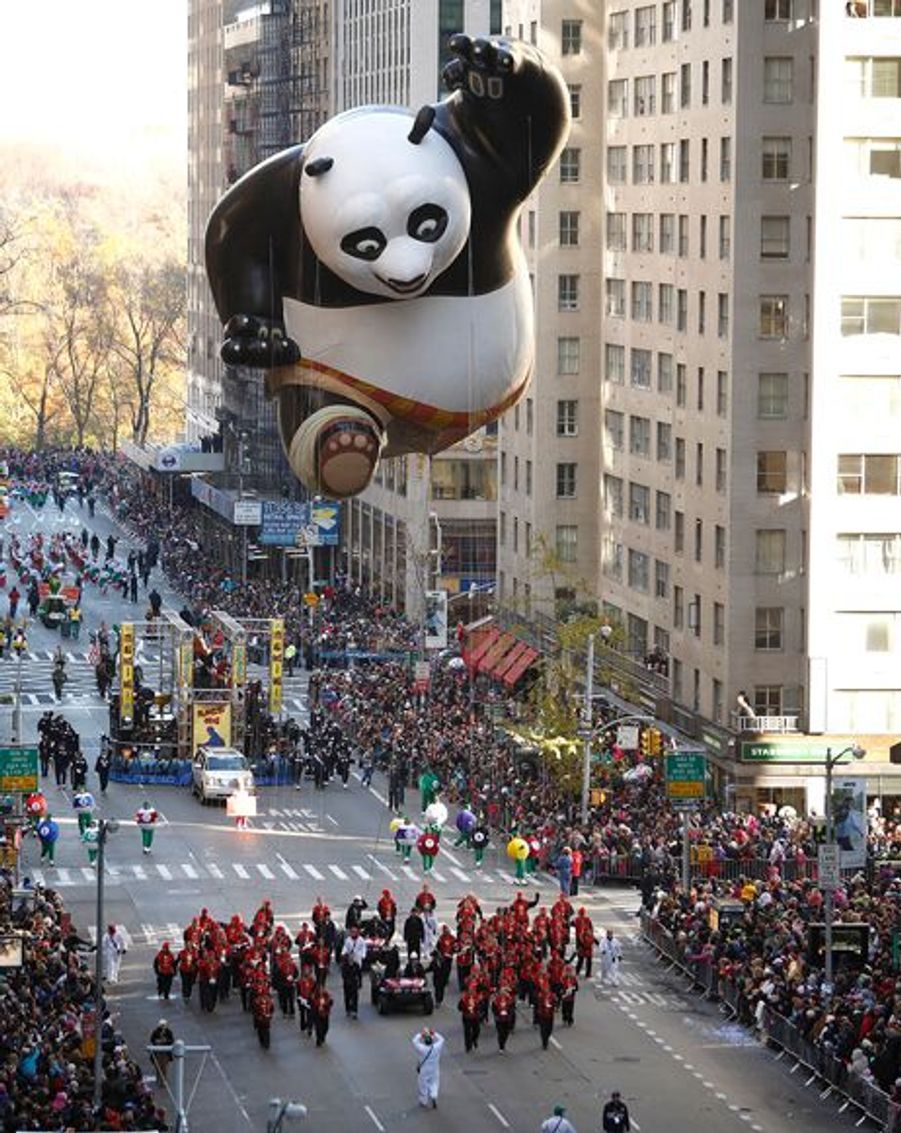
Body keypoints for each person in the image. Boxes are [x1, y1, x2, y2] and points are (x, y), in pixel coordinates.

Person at [412, 1028, 445, 1109]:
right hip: (434, 1069)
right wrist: (433, 1033)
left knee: (423, 1085)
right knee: (434, 1083)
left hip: (424, 1069)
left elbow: (414, 1041)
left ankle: (424, 1101)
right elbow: (442, 1039)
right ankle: (434, 1095)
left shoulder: (422, 1048)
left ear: (425, 1041)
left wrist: (421, 1034)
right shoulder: (436, 1047)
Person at [149, 1019, 174, 1085]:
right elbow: (152, 1040)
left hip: (165, 1053)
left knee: (164, 1067)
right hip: (157, 1052)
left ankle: (164, 1080)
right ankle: (158, 1078)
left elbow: (171, 1040)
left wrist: (166, 1041)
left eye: (164, 1025)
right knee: (158, 1066)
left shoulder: (168, 1032)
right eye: (162, 1025)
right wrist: (157, 1041)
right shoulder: (156, 1032)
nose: (163, 1027)